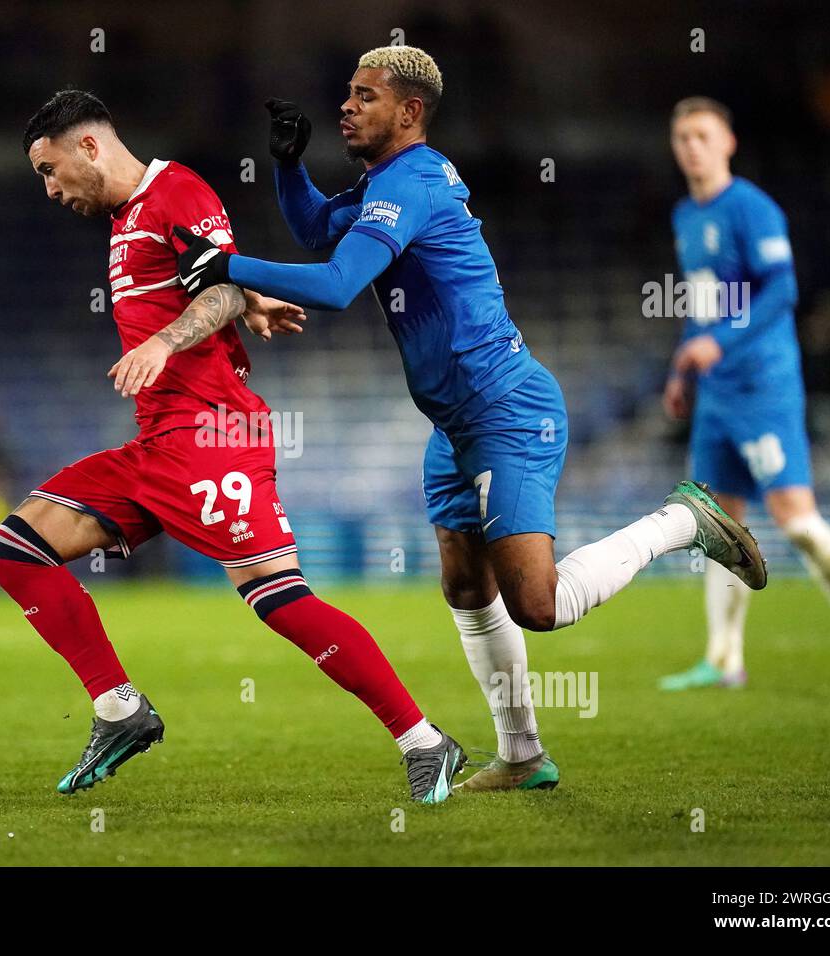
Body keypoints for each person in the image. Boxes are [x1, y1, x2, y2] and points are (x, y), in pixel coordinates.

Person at [174, 47, 767, 790]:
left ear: (410, 112)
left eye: (365, 96)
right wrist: (291, 168)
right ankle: (522, 755)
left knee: (539, 605)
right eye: (347, 94)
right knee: (463, 586)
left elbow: (334, 284)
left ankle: (683, 521)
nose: (346, 107)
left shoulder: (412, 183)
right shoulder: (388, 183)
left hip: (507, 410)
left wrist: (227, 265)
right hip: (457, 423)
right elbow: (323, 232)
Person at [0, 88, 469, 803]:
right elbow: (219, 285)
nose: (50, 189)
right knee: (15, 550)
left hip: (213, 432)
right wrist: (253, 302)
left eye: (50, 170)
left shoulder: (175, 190)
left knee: (280, 598)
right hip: (160, 442)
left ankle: (426, 742)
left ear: (89, 146)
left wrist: (169, 337)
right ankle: (119, 709)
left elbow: (215, 286)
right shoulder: (127, 221)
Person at [659, 97, 830, 690]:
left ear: (727, 143)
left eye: (702, 135)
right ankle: (723, 658)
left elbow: (782, 289)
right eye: (682, 136)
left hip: (765, 388)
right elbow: (702, 304)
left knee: (796, 522)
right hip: (714, 395)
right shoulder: (686, 214)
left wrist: (723, 343)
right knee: (719, 524)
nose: (692, 146)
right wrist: (682, 372)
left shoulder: (752, 208)